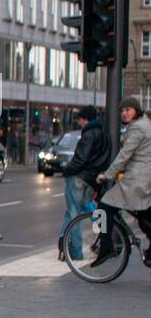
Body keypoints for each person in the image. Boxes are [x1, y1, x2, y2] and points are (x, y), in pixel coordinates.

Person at [93, 97, 151, 269]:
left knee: (103, 207)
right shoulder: (144, 124)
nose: (124, 113)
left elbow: (124, 155)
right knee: (145, 218)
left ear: (136, 110)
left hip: (137, 180)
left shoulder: (138, 128)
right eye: (122, 110)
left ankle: (106, 247)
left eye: (128, 110)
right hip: (143, 178)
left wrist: (107, 175)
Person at [57, 106, 110, 261]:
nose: (79, 122)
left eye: (80, 119)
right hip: (92, 180)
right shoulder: (105, 135)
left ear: (85, 119)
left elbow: (80, 159)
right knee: (73, 212)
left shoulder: (88, 135)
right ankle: (64, 242)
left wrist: (66, 170)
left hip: (79, 178)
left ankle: (75, 251)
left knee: (73, 213)